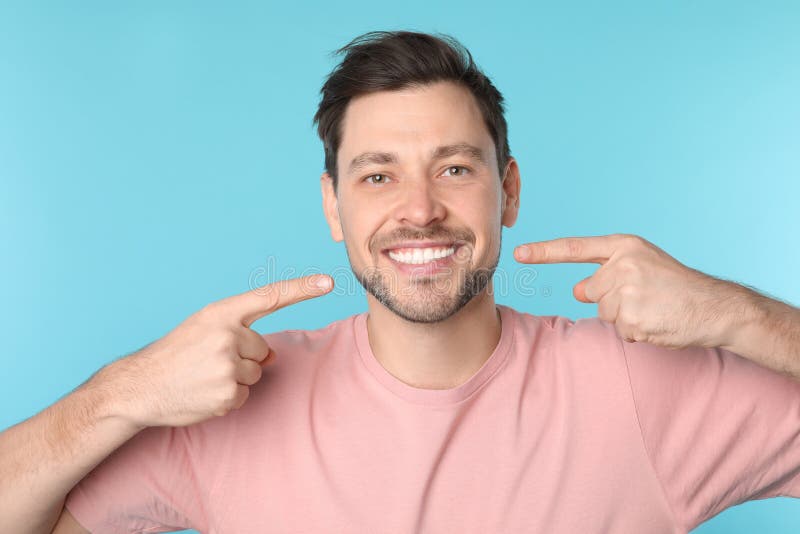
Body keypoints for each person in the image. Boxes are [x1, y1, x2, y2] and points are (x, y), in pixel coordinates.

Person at [1, 30, 798, 534]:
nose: (420, 211)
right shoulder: (227, 405)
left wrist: (739, 316)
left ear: (508, 190)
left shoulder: (638, 390)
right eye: (377, 177)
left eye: (454, 168)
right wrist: (122, 392)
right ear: (334, 207)